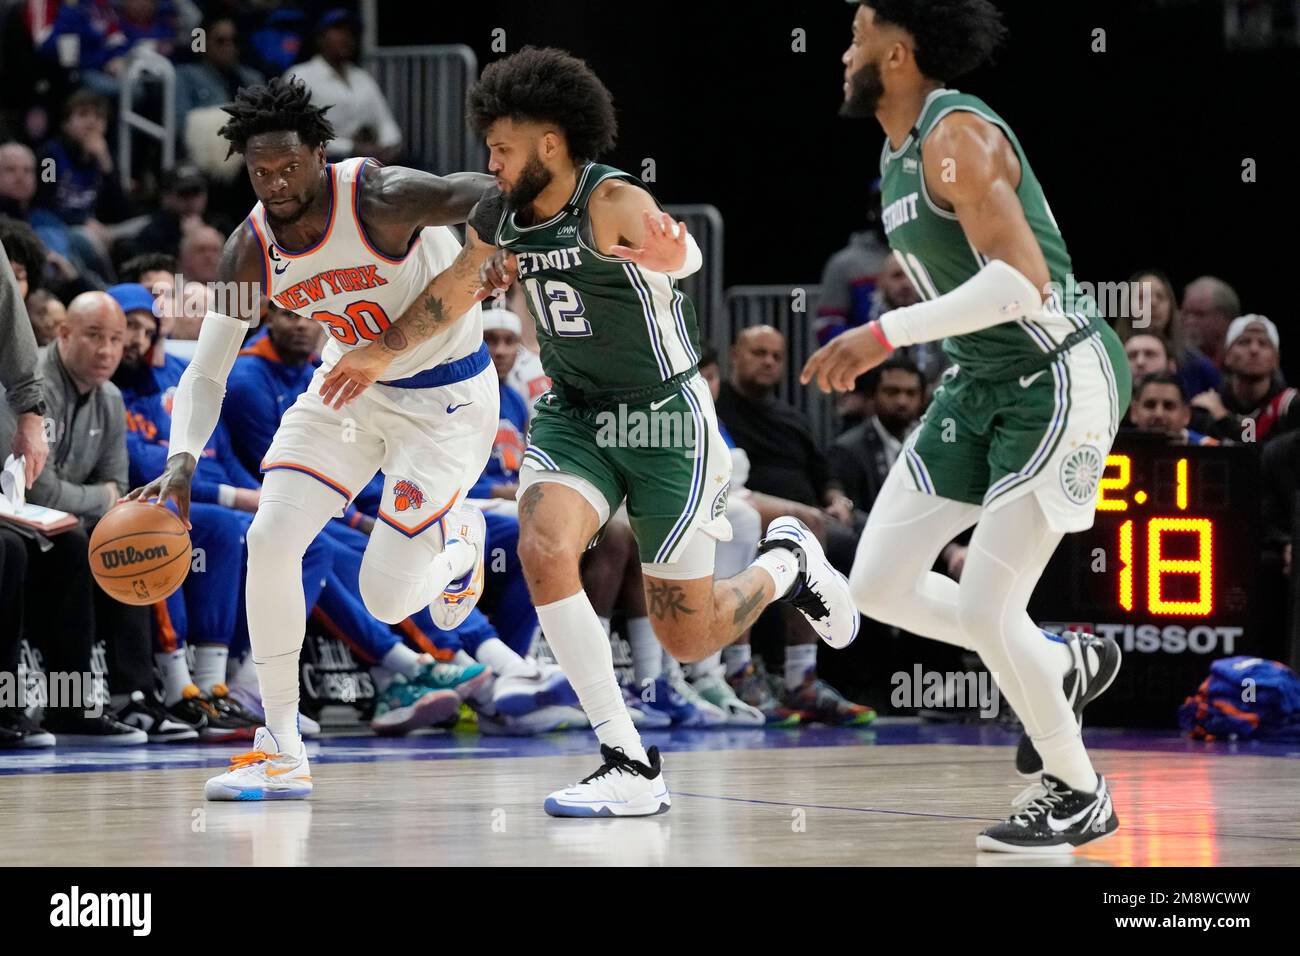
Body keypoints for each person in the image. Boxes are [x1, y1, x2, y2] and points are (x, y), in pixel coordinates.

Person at [352, 47, 857, 816]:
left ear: (550, 142)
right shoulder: (498, 213)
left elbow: (676, 249)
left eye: (502, 146)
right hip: (576, 411)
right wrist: (377, 351)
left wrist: (674, 252)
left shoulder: (611, 198)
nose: (488, 161)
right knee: (543, 546)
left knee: (687, 636)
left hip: (664, 416)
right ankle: (625, 758)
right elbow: (454, 291)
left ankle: (788, 562)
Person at [804, 1, 1131, 852]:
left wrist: (883, 334)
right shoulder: (894, 153)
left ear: (900, 52)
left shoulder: (958, 136)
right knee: (876, 585)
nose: (844, 53)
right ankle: (1060, 664)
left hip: (1055, 374)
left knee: (989, 605)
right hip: (980, 380)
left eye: (857, 35)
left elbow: (1023, 283)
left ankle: (1078, 788)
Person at [125, 77, 502, 800]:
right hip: (347, 386)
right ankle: (284, 745)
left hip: (447, 395)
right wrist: (180, 463)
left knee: (387, 599)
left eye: (289, 167)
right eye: (262, 172)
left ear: (319, 153)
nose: (276, 184)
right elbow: (206, 371)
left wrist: (482, 258)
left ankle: (460, 540)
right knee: (267, 539)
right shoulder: (249, 251)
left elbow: (485, 189)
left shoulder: (382, 197)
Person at [284, 9, 401, 164]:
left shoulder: (362, 77)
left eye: (351, 32)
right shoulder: (300, 76)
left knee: (421, 172)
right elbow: (298, 133)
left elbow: (385, 122)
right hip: (325, 160)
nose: (347, 37)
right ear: (320, 37)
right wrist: (352, 147)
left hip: (370, 157)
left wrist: (387, 146)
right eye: (339, 30)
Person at [829, 356, 924, 514]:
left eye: (911, 393)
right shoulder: (848, 450)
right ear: (872, 396)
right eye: (892, 392)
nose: (902, 401)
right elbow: (850, 517)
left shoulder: (930, 443)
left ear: (922, 399)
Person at [1115, 269, 1219, 399]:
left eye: (1160, 296)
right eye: (1142, 297)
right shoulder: (1107, 359)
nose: (1153, 303)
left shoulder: (1198, 366)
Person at [1192, 314, 1297, 444]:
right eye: (1244, 342)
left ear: (1276, 359)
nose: (1254, 350)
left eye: (1263, 343)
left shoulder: (1289, 409)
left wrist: (1223, 417)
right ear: (1227, 355)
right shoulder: (1207, 410)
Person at [1128, 372, 1218, 446]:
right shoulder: (1114, 447)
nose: (1158, 414)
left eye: (1169, 406)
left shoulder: (1213, 450)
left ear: (1186, 415)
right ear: (1134, 412)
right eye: (1150, 405)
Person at [1180, 276, 1240, 370]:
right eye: (1185, 313)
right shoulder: (1175, 366)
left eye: (1199, 314)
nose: (1189, 321)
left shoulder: (1243, 366)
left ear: (1225, 317)